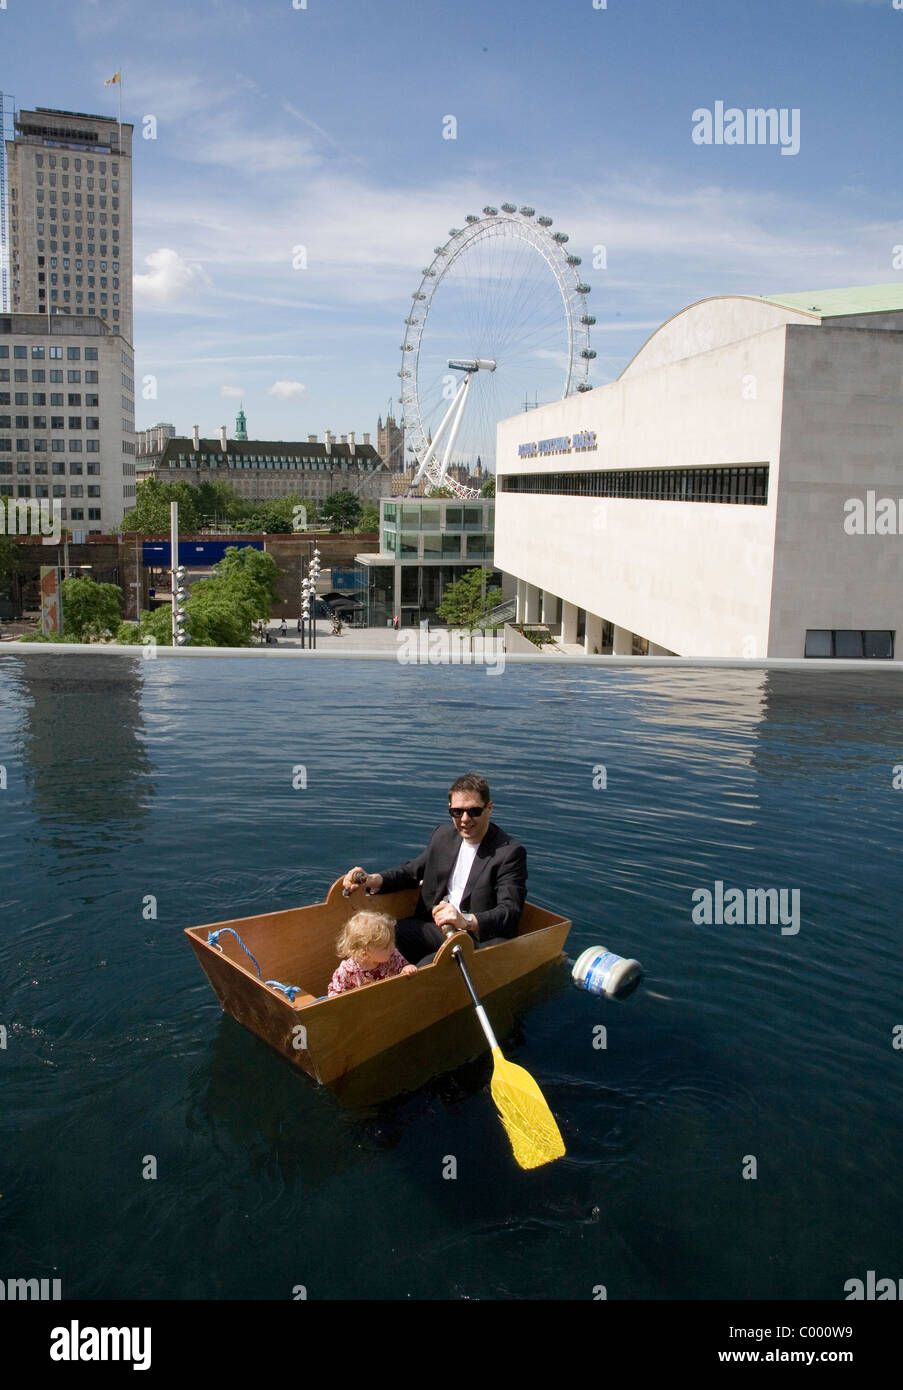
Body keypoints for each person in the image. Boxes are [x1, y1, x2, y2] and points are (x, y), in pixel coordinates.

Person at [342, 773, 527, 966]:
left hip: (476, 941)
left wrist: (465, 920)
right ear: (450, 810)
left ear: (489, 808)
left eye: (473, 811)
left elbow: (510, 912)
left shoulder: (509, 853)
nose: (464, 819)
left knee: (427, 967)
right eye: (457, 812)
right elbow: (412, 872)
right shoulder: (443, 836)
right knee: (382, 937)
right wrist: (372, 879)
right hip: (436, 928)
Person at [327, 910, 418, 997]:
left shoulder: (392, 956)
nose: (392, 947)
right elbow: (334, 992)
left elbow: (402, 967)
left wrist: (406, 968)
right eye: (386, 947)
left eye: (392, 942)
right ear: (365, 954)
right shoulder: (347, 971)